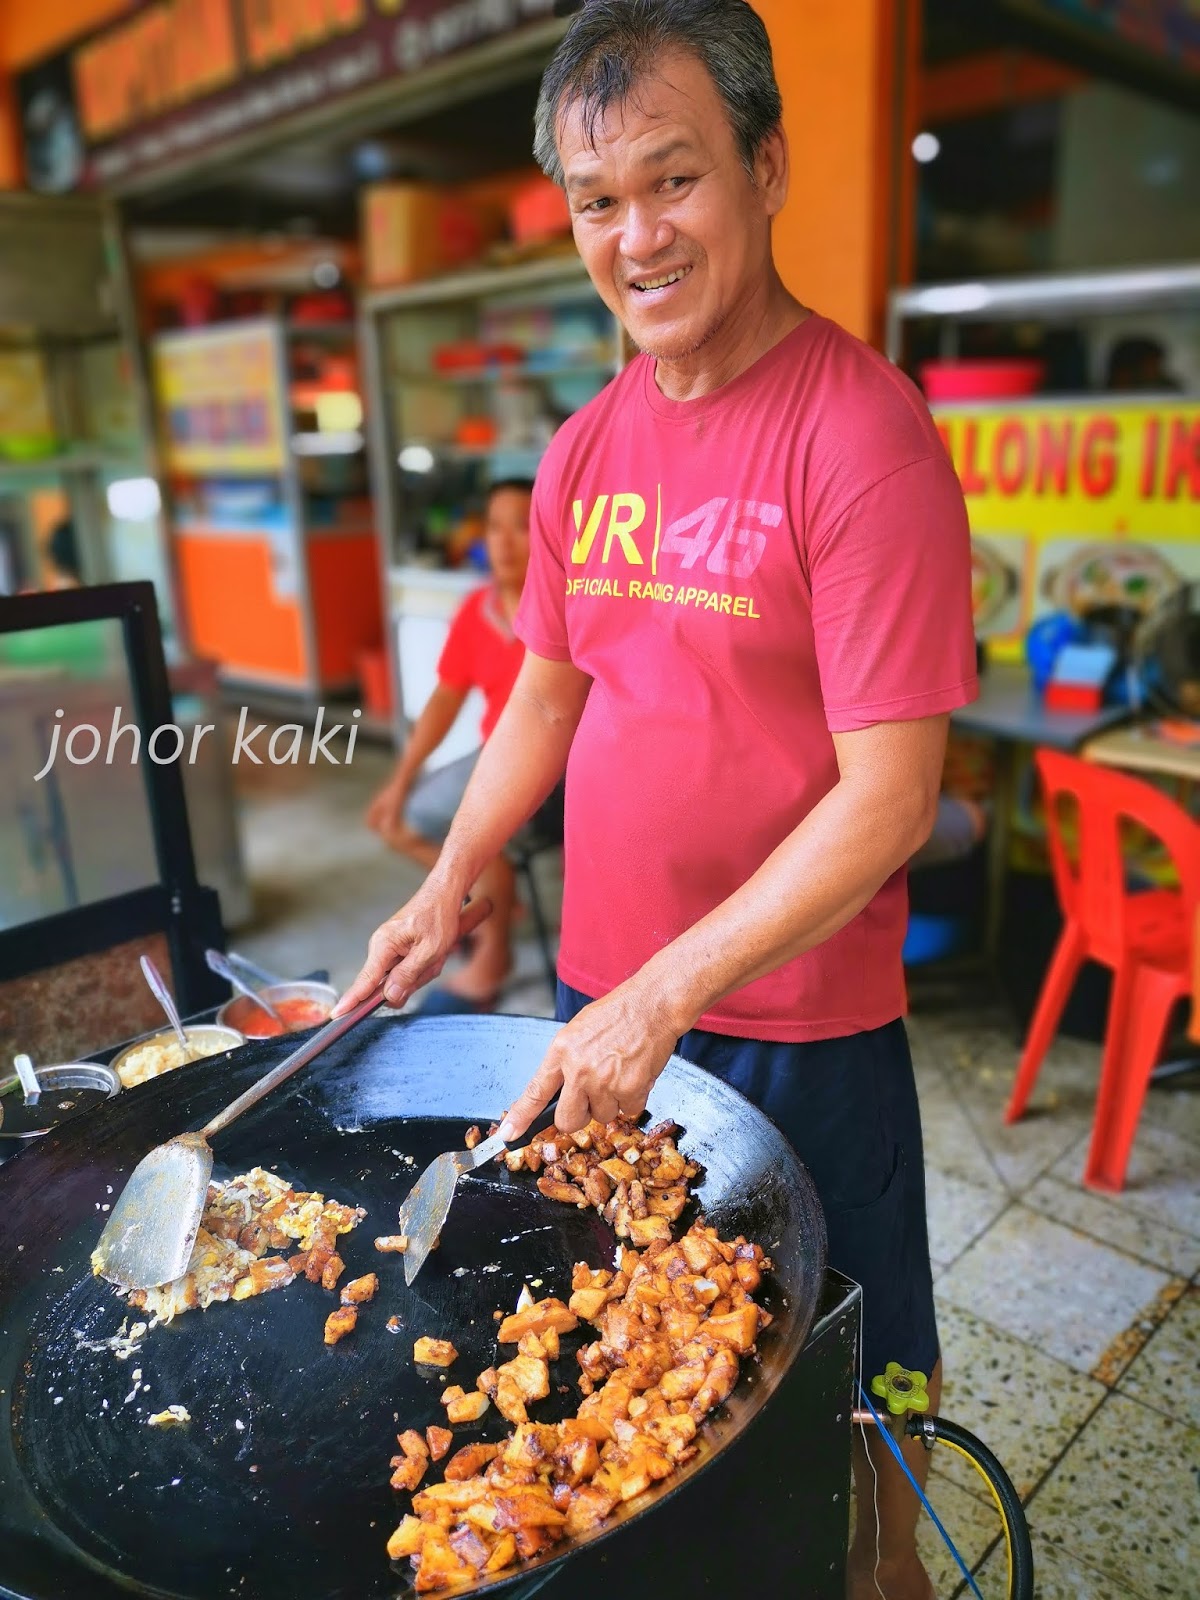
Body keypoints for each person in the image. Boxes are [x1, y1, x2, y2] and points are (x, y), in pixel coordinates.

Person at [338, 4, 976, 1595]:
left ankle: (884, 1573)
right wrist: (455, 872)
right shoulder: (581, 450)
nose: (637, 236)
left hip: (794, 1021)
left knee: (860, 1370)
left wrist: (671, 991)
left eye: (673, 181)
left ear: (766, 168)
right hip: (600, 998)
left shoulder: (864, 439)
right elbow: (550, 689)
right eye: (597, 201)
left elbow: (892, 799)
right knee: (632, 1350)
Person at [365, 479, 540, 1012]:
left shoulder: (565, 603)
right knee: (393, 820)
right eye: (494, 526)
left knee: (487, 835)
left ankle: (493, 958)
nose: (505, 541)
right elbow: (444, 700)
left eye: (522, 525)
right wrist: (400, 779)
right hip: (495, 755)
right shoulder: (476, 609)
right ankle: (497, 898)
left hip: (559, 765)